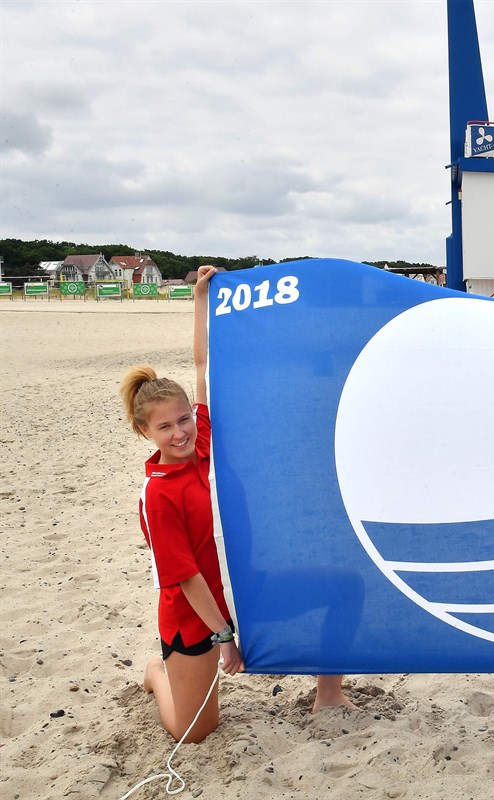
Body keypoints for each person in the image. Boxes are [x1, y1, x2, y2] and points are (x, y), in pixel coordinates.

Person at [123, 267, 350, 743]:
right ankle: (155, 672)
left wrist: (201, 298)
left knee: (344, 589)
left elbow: (205, 368)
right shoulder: (158, 494)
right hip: (196, 616)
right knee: (195, 732)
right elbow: (185, 579)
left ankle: (329, 692)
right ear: (145, 432)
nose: (180, 432)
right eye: (166, 428)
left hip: (249, 589)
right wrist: (225, 637)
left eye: (183, 419)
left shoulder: (202, 444)